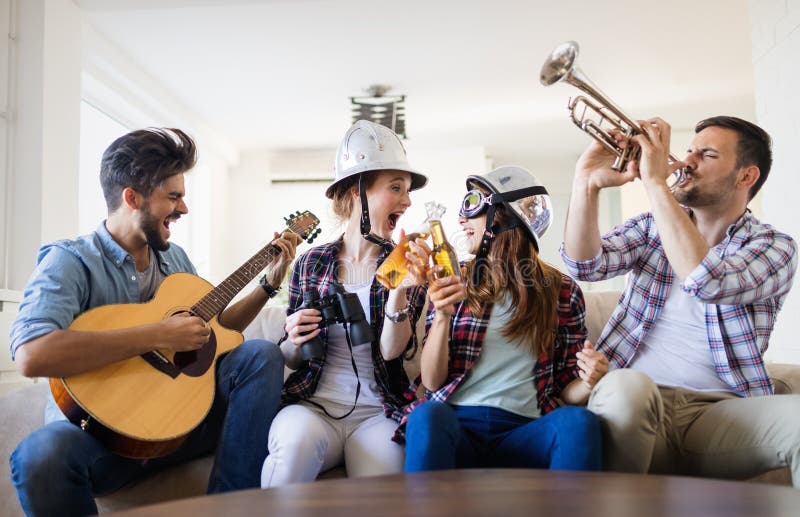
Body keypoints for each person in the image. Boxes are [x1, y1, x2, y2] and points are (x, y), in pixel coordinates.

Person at [8, 128, 301, 516]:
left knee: (261, 354)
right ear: (132, 198)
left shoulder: (175, 260)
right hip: (102, 440)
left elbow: (216, 331)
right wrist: (157, 334)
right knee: (38, 456)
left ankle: (231, 508)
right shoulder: (70, 262)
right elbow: (31, 355)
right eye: (173, 197)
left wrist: (268, 285)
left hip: (183, 426)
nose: (184, 209)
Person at [561, 115, 800, 485]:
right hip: (634, 403)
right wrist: (585, 183)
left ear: (746, 177)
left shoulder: (774, 247)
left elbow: (708, 280)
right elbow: (584, 265)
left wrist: (655, 182)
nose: (687, 161)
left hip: (718, 417)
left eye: (707, 154)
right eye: (690, 150)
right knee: (628, 386)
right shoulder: (650, 227)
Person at [398, 166, 605, 472]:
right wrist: (442, 316)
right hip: (457, 427)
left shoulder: (561, 291)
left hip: (525, 433)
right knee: (426, 416)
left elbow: (566, 387)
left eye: (472, 204)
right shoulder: (454, 278)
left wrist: (589, 381)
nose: (461, 219)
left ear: (504, 216)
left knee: (578, 422)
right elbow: (431, 382)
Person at [260, 120, 429, 487]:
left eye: (407, 190)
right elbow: (291, 357)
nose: (407, 200)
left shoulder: (403, 262)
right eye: (396, 187)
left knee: (383, 487)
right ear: (357, 191)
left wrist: (399, 287)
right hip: (313, 407)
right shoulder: (311, 262)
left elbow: (391, 352)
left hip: (377, 412)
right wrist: (294, 337)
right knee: (292, 450)